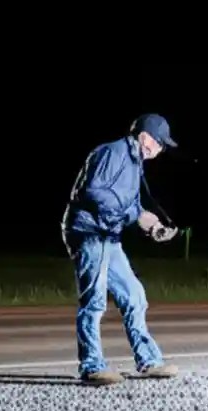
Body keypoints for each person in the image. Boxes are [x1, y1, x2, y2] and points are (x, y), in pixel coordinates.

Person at [61, 113, 181, 385]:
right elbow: (92, 191)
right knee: (94, 300)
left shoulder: (135, 164)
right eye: (160, 143)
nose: (161, 150)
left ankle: (149, 362)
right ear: (145, 138)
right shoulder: (112, 153)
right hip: (89, 232)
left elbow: (131, 205)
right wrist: (132, 214)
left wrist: (151, 225)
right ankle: (92, 366)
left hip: (108, 236)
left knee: (134, 295)